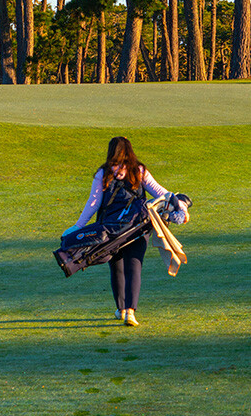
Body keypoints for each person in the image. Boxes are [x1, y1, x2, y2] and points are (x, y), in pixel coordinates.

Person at [66, 136, 188, 327]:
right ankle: (130, 312)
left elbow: (93, 203)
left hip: (109, 232)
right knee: (134, 267)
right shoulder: (139, 171)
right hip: (137, 229)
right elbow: (161, 193)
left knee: (117, 268)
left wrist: (77, 227)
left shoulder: (103, 173)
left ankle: (121, 309)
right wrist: (181, 206)